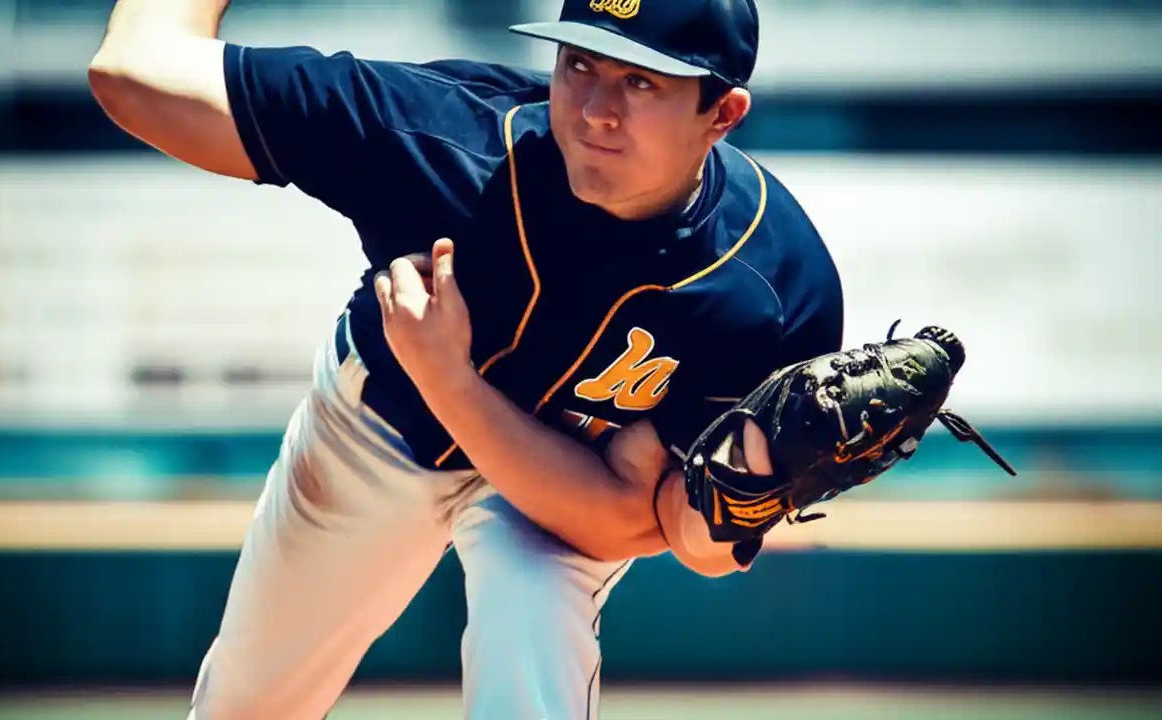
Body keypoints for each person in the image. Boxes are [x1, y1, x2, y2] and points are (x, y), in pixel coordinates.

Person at [88, 0, 843, 717]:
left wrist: (448, 377)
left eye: (640, 82)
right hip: (380, 432)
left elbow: (659, 530)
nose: (595, 110)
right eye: (580, 63)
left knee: (532, 630)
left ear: (722, 113)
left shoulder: (775, 287)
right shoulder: (445, 138)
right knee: (247, 706)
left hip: (557, 478)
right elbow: (131, 75)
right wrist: (434, 380)